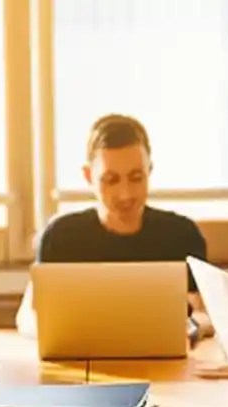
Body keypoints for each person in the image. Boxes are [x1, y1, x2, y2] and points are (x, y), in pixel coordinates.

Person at [15, 113, 212, 338]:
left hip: (166, 362)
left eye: (136, 177)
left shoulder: (181, 235)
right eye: (111, 180)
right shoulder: (60, 237)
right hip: (80, 362)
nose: (125, 194)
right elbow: (28, 317)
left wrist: (188, 329)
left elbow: (204, 314)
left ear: (150, 171)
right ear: (89, 177)